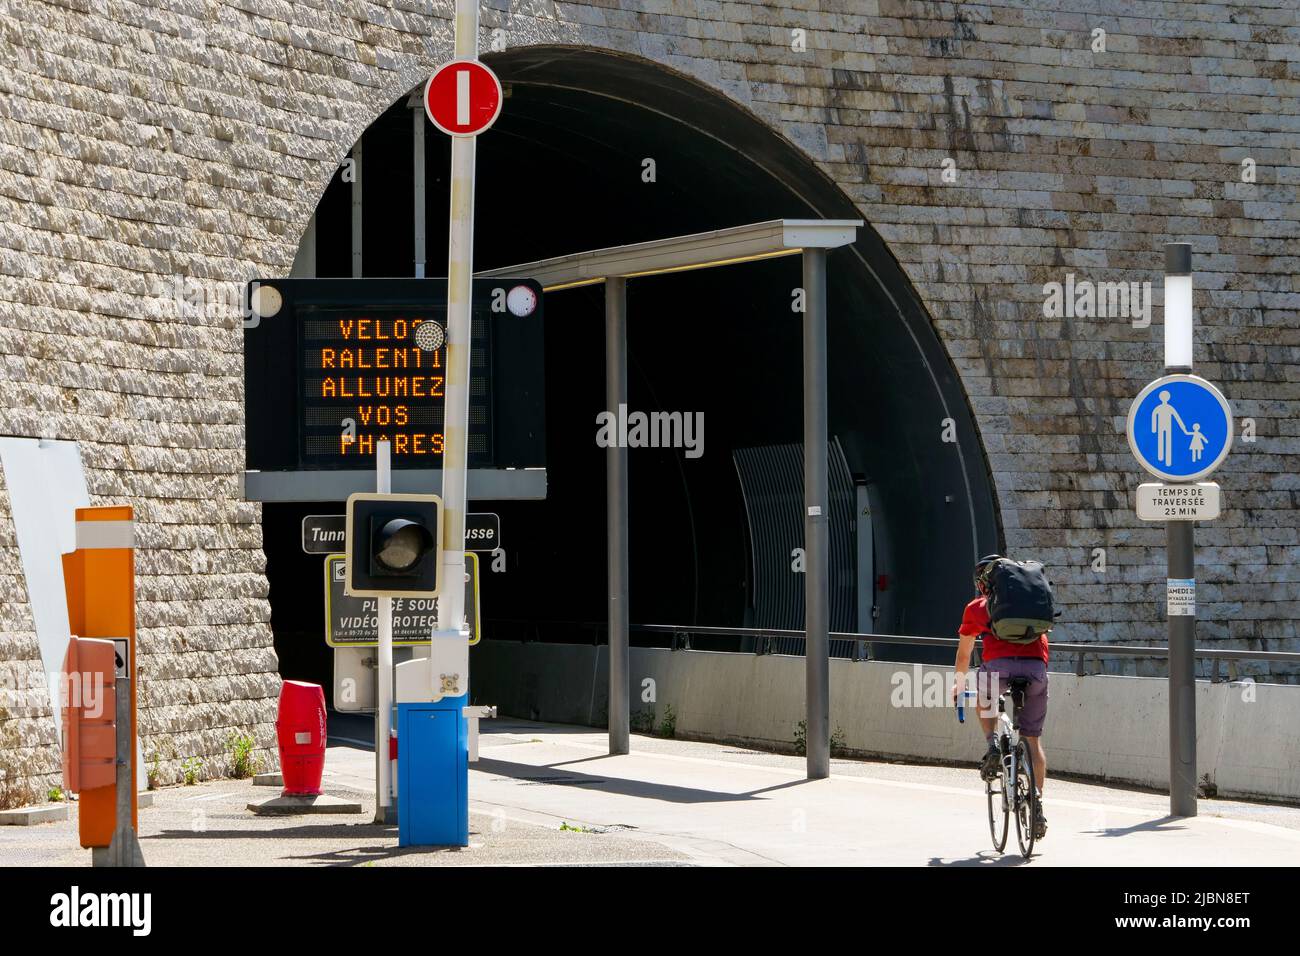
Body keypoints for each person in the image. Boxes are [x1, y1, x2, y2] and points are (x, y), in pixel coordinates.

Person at [952, 554, 1049, 838]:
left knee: (985, 698)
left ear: (983, 584)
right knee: (1032, 740)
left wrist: (958, 685)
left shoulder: (977, 608)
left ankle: (993, 745)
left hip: (997, 669)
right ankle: (1037, 803)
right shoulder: (1031, 606)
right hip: (1036, 671)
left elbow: (964, 654)